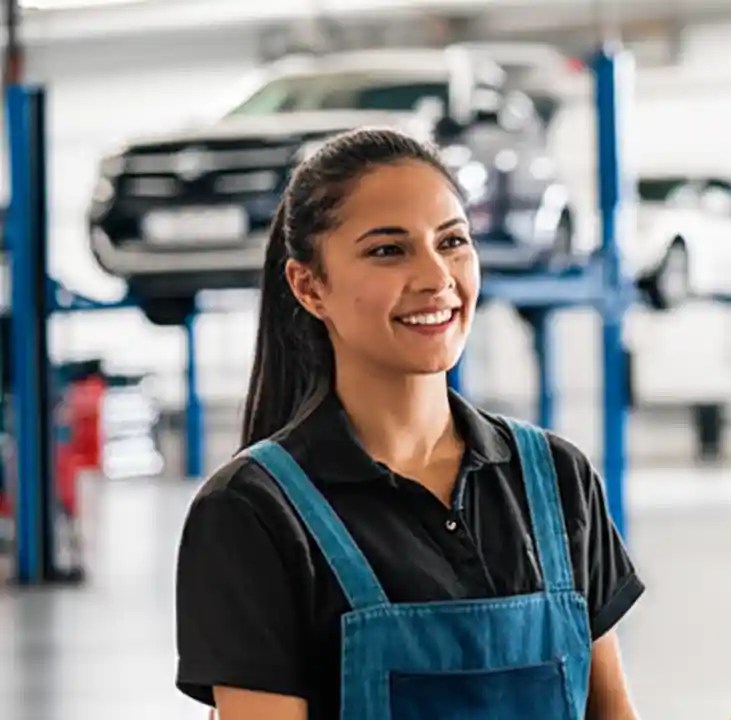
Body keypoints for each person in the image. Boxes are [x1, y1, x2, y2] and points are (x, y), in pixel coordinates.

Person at [174, 128, 644, 720]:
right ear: (309, 286)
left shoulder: (556, 478)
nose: (436, 278)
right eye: (388, 250)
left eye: (452, 241)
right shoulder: (252, 513)